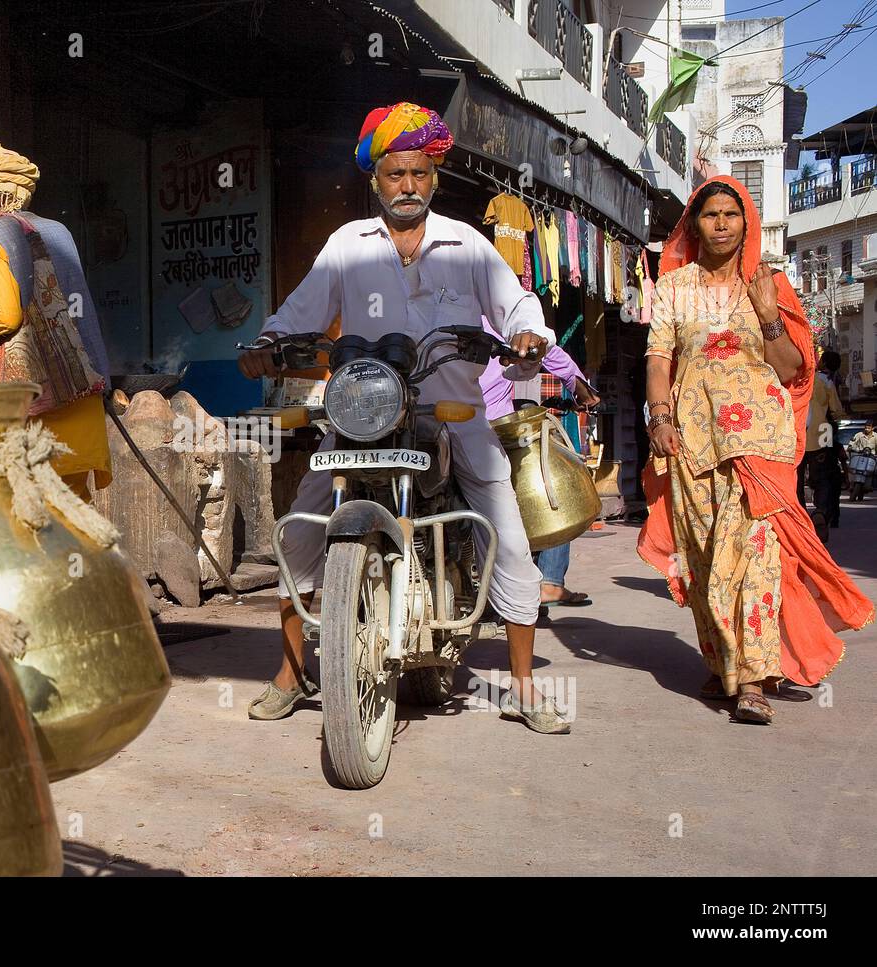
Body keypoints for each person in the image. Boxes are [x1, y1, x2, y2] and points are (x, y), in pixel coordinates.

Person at [238, 102, 568, 734]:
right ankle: (290, 672)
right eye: (395, 175)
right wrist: (268, 342)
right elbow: (300, 310)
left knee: (504, 521)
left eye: (418, 174)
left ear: (433, 178)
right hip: (365, 413)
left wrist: (526, 333)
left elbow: (516, 302)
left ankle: (524, 687)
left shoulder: (467, 243)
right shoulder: (346, 246)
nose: (408, 186)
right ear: (376, 181)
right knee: (301, 525)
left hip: (455, 411)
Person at [637, 175, 872, 724]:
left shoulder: (773, 284)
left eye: (731, 214)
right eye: (710, 214)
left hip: (759, 442)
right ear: (694, 224)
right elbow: (657, 361)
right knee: (700, 560)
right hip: (693, 439)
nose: (721, 224)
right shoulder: (674, 288)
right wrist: (660, 418)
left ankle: (753, 679)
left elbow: (792, 369)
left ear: (747, 224)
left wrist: (768, 310)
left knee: (755, 558)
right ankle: (723, 663)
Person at [0, 142, 111, 500]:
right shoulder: (58, 231)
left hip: (29, 410)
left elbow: (3, 317)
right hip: (77, 397)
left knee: (22, 520)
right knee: (70, 514)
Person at [480, 317, 600, 607]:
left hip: (465, 426)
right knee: (548, 486)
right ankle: (549, 581)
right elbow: (546, 348)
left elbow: (542, 345)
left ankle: (545, 581)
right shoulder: (495, 315)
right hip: (490, 429)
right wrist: (577, 383)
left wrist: (575, 384)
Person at [800, 350, 846, 538]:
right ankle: (820, 512)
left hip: (797, 433)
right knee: (823, 477)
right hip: (823, 433)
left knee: (797, 476)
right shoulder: (826, 381)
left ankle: (800, 518)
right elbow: (837, 411)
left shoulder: (797, 378)